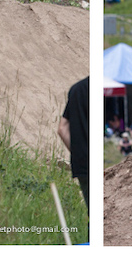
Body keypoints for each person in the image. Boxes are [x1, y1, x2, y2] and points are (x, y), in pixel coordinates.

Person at [57, 77, 89, 216]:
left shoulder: (77, 89)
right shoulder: (106, 88)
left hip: (84, 166)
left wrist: (80, 154)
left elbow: (62, 129)